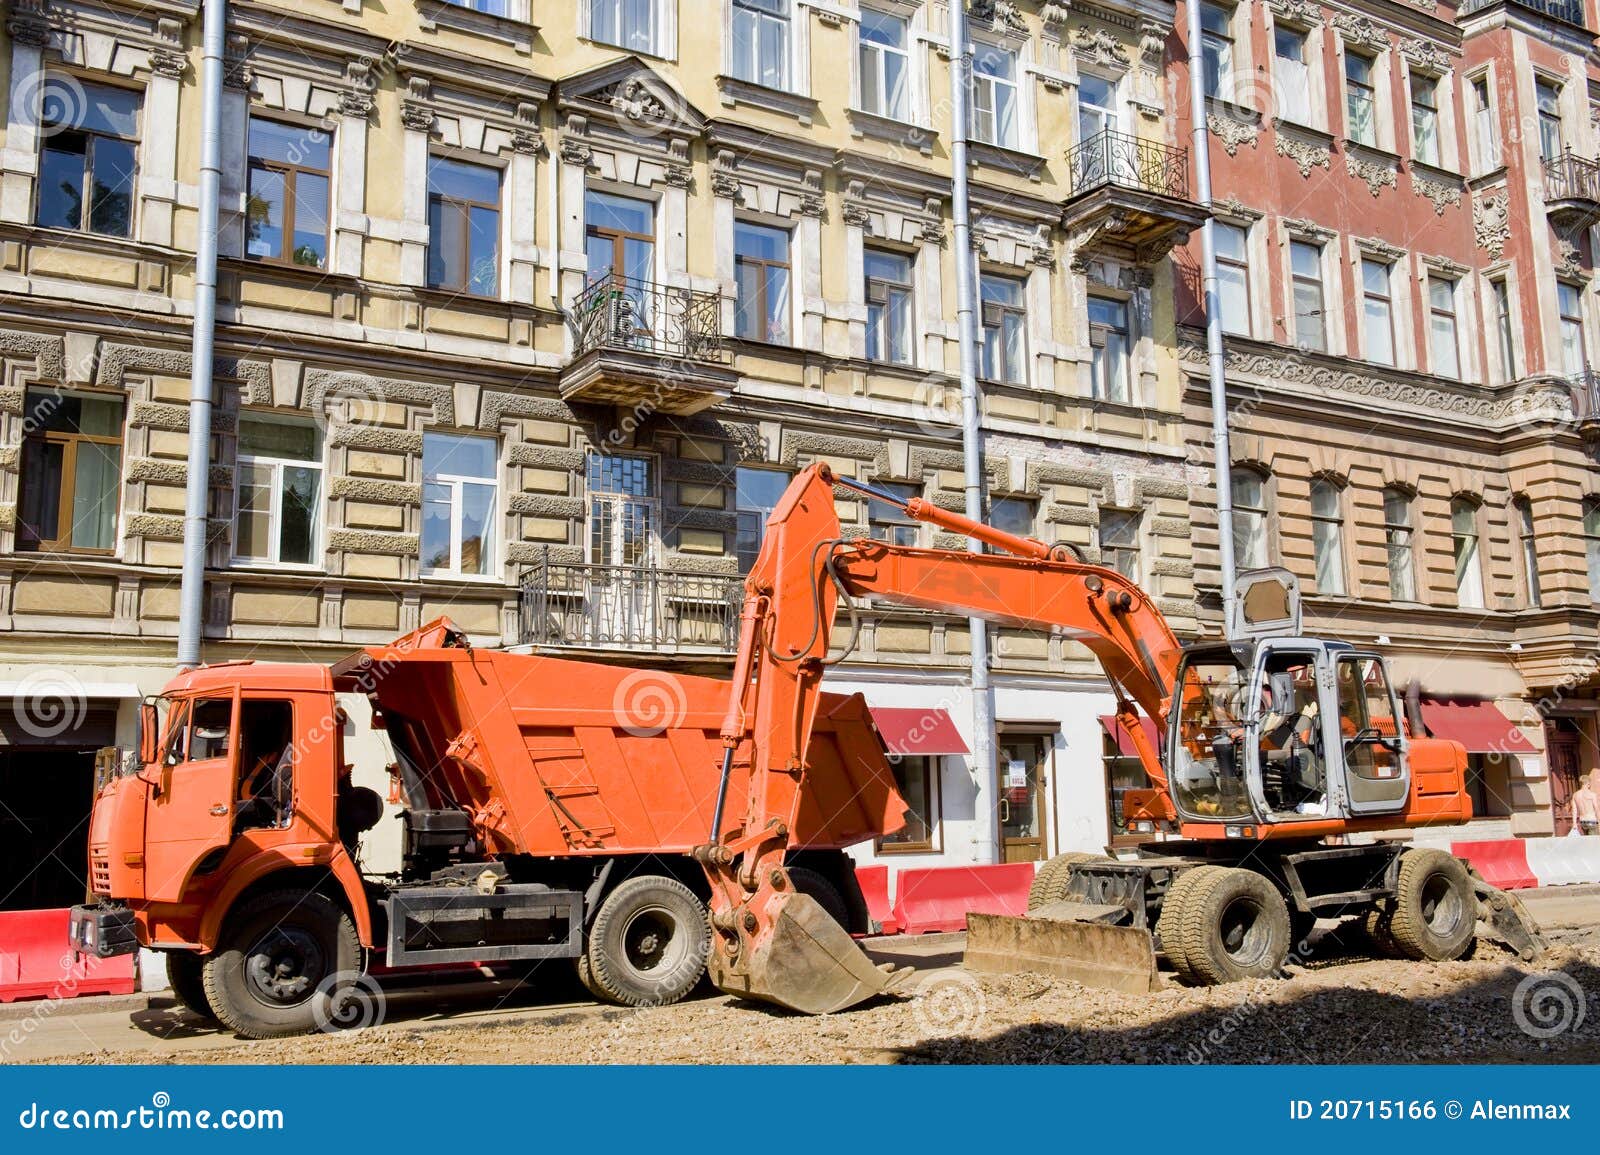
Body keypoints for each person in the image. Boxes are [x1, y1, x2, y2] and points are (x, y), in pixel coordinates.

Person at [1574, 772, 1600, 836]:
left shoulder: (1575, 795)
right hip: (1592, 821)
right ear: (1588, 784)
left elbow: (1574, 810)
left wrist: (1574, 823)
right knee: (1594, 842)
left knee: (1587, 841)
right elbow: (1596, 809)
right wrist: (1599, 822)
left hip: (1583, 821)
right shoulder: (1592, 795)